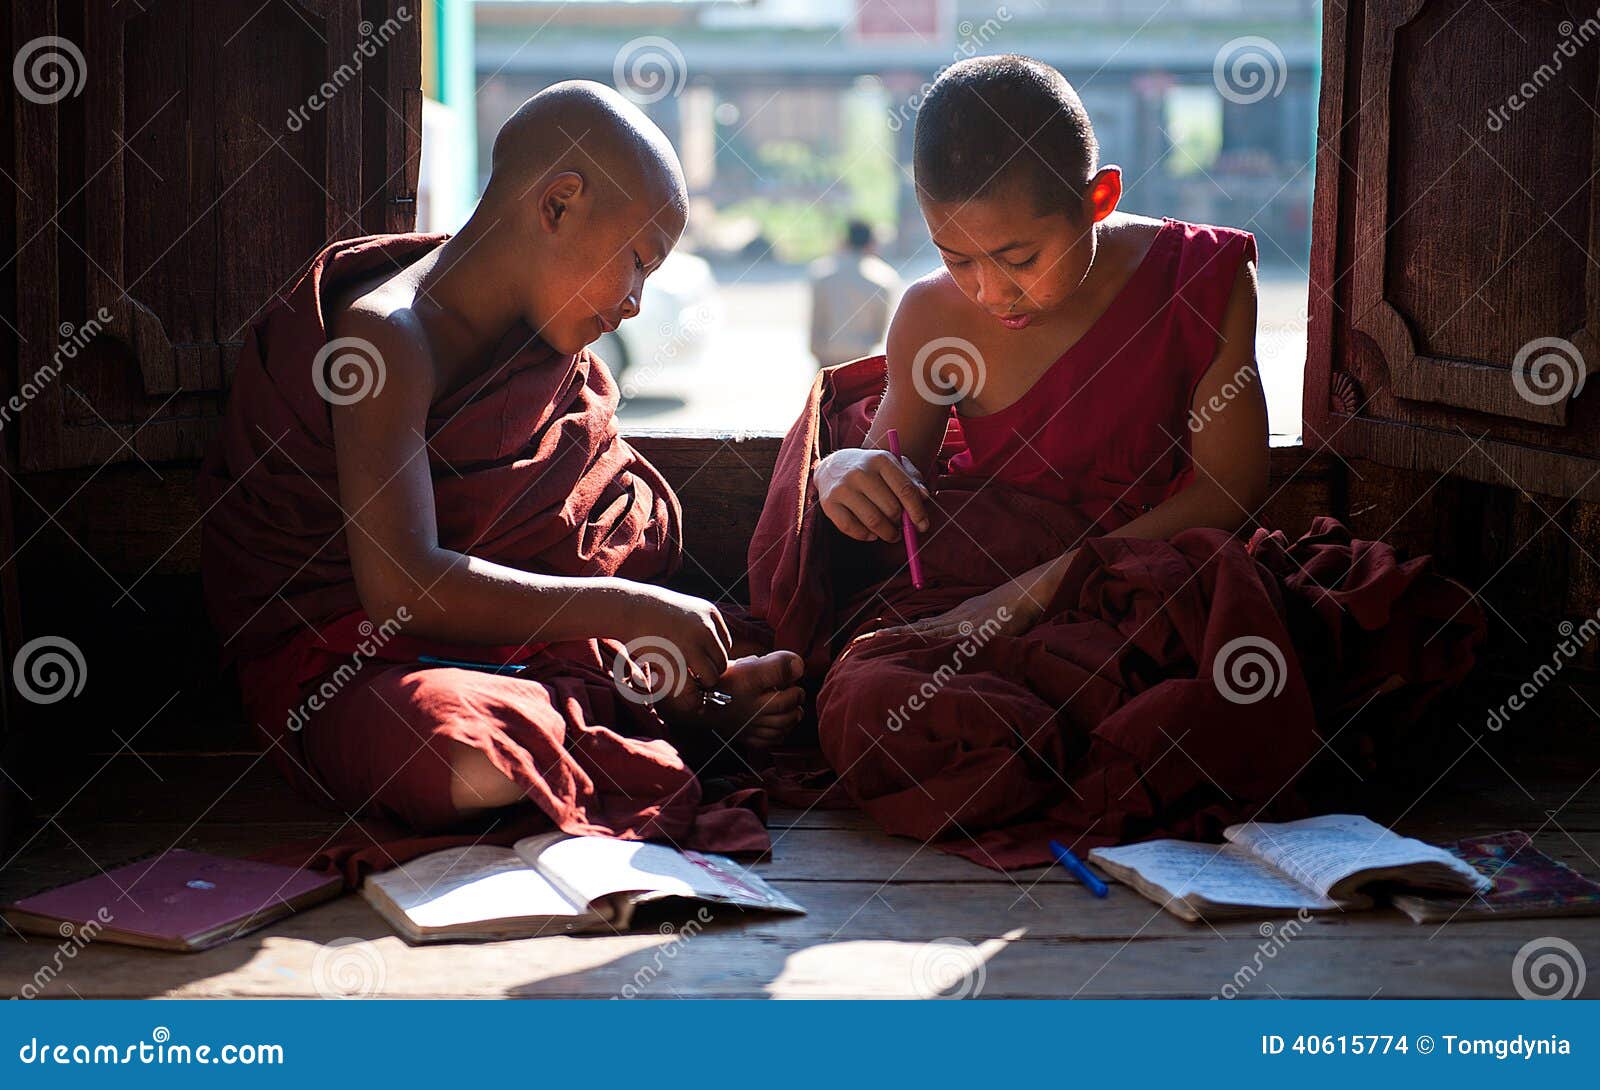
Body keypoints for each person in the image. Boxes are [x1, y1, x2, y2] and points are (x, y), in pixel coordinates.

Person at [747, 56, 1485, 867]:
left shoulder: (1202, 278)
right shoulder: (931, 315)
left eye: (1020, 258)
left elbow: (1228, 490)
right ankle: (1112, 766)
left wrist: (1039, 592)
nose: (991, 293)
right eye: (959, 258)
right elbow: (893, 483)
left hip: (1152, 587)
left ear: (1099, 198)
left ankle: (1080, 762)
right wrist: (841, 475)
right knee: (863, 698)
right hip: (982, 589)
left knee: (1243, 670)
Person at [200, 82, 803, 871]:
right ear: (557, 205)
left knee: (775, 659)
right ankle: (660, 717)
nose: (633, 303)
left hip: (520, 649)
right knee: (476, 750)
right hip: (345, 664)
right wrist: (629, 609)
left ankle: (657, 703)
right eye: (637, 263)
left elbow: (578, 541)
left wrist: (637, 626)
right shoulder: (385, 337)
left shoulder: (547, 353)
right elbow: (399, 590)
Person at [808, 219, 902, 367]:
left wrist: (817, 351)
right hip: (863, 359)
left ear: (844, 241)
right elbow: (882, 329)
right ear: (871, 243)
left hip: (827, 358)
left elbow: (817, 321)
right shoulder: (884, 278)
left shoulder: (823, 273)